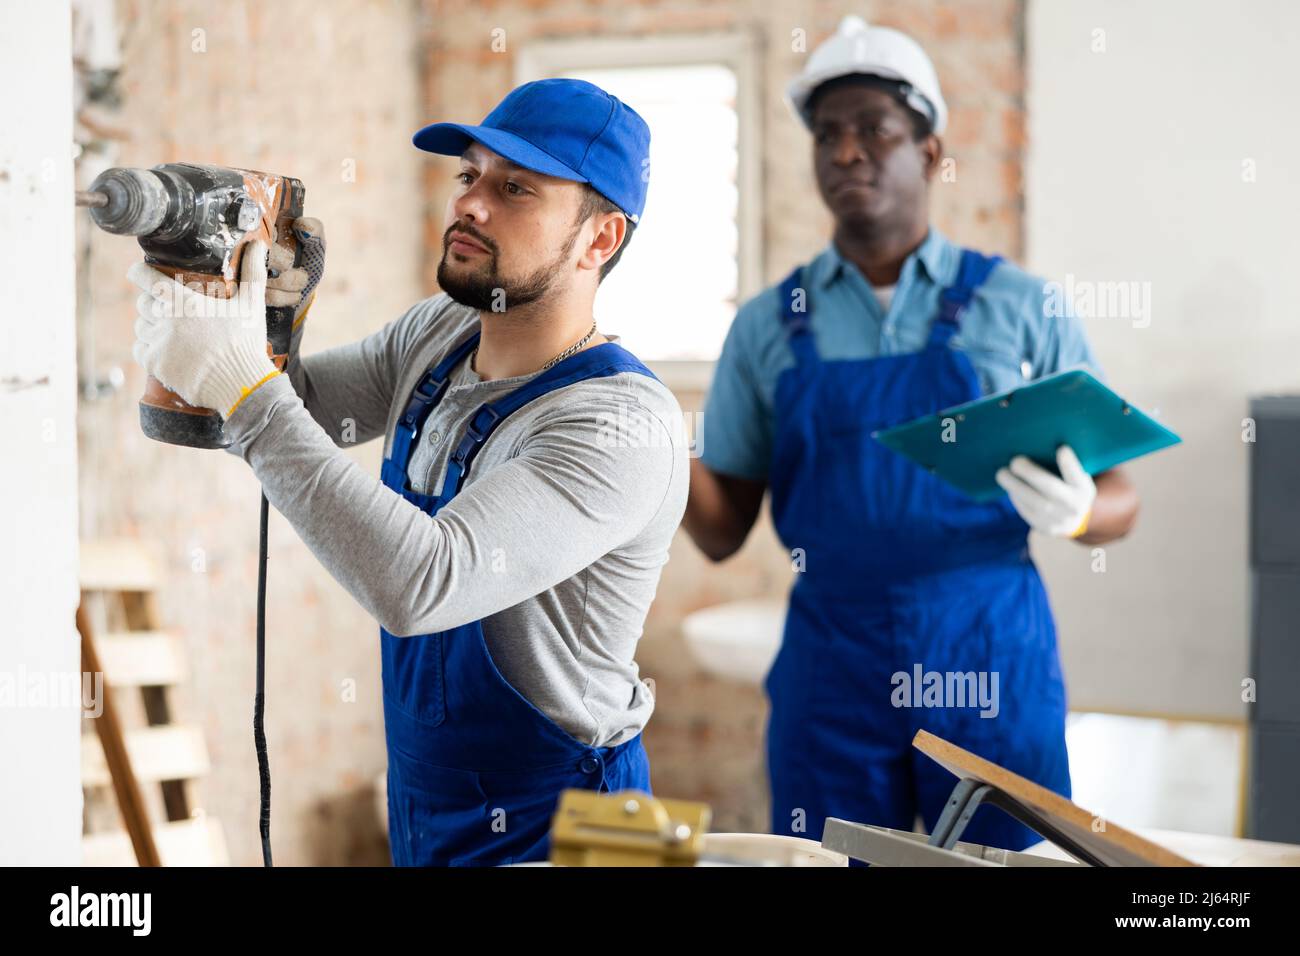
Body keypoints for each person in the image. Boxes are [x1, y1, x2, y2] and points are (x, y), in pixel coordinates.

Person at [129, 78, 689, 866]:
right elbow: (304, 415)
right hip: (431, 797)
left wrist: (242, 385)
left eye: (516, 189)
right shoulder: (446, 331)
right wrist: (226, 320)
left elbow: (422, 584)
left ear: (600, 240)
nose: (471, 204)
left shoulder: (620, 428)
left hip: (576, 822)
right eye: (470, 175)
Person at [682, 17, 1139, 850]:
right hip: (831, 657)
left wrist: (1078, 512)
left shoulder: (1022, 309)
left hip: (985, 647)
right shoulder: (767, 326)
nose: (847, 152)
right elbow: (721, 534)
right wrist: (658, 446)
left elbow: (1121, 499)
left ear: (930, 153)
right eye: (827, 135)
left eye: (873, 131)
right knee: (824, 863)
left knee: (1001, 862)